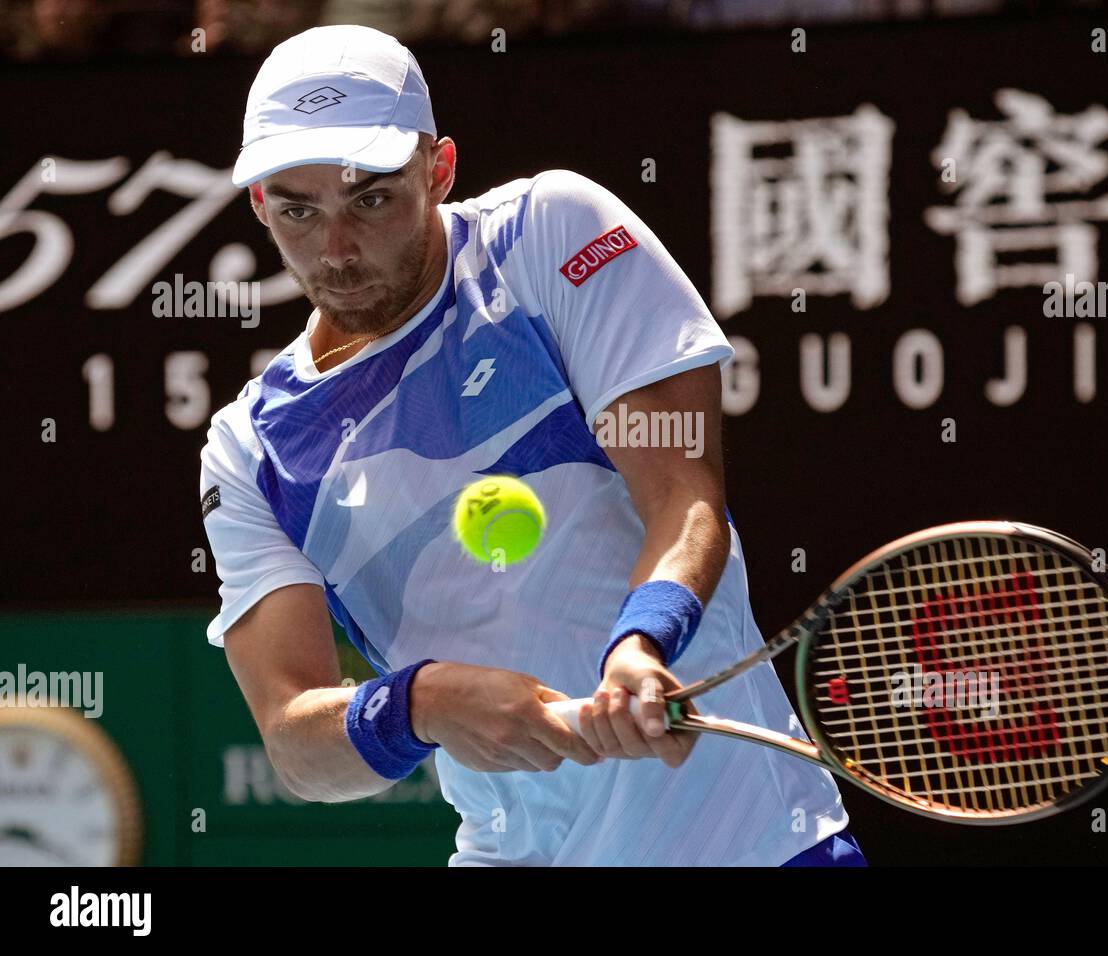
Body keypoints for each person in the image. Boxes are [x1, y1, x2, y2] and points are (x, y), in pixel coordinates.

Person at [200, 23, 865, 866]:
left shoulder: (546, 238)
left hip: (754, 846)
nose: (335, 250)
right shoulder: (252, 450)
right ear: (260, 203)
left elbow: (683, 495)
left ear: (437, 170)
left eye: (371, 198)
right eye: (298, 210)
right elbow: (297, 746)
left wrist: (643, 640)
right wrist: (420, 705)